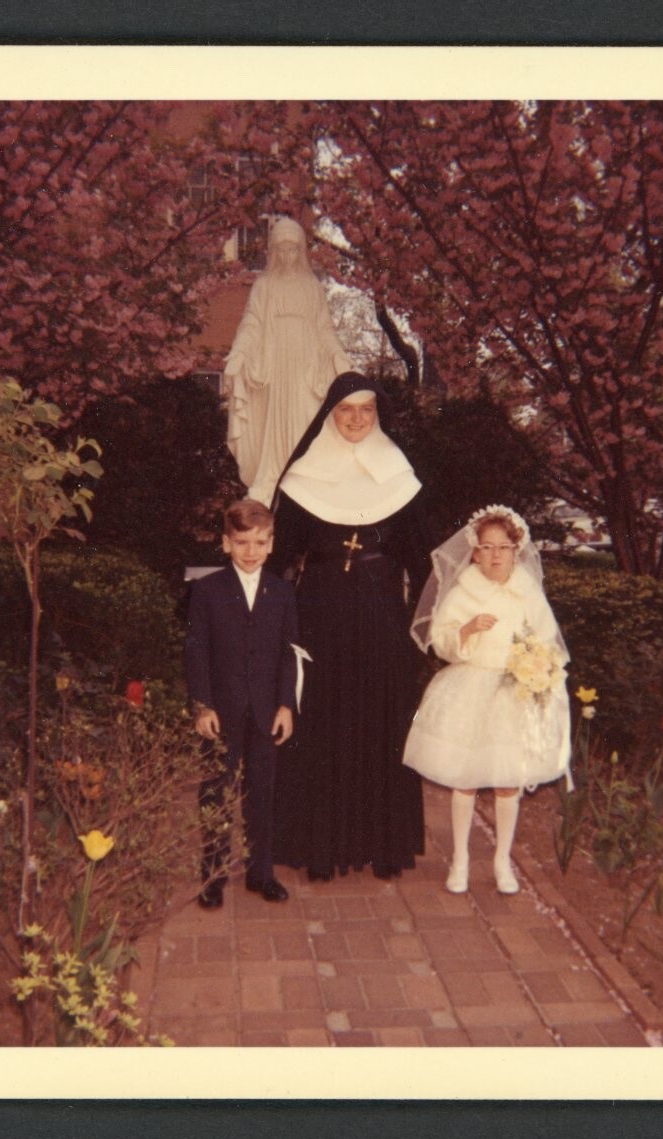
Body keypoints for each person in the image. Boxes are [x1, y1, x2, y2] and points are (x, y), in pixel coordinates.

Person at [271, 372, 432, 881]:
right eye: (346, 411)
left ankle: (383, 846)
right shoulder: (301, 480)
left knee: (380, 719)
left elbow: (425, 562)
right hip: (319, 614)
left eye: (366, 410)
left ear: (378, 415)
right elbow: (279, 561)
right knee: (321, 720)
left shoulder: (402, 479)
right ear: (330, 415)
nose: (356, 419)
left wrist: (433, 627)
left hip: (382, 614)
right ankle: (318, 847)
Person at [404, 506, 573, 894]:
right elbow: (442, 641)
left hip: (513, 694)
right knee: (465, 778)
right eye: (486, 547)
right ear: (474, 553)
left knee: (506, 781)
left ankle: (502, 861)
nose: (496, 555)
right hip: (470, 687)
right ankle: (460, 860)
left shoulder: (527, 591)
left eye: (504, 547)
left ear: (517, 550)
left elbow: (548, 640)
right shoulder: (465, 590)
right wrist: (465, 629)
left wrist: (539, 666)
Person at [184, 499, 301, 909]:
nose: (250, 552)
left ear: (271, 544)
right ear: (225, 543)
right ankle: (213, 873)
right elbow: (196, 653)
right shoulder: (207, 590)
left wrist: (286, 705)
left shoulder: (282, 592)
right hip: (223, 710)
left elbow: (288, 653)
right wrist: (203, 706)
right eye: (241, 542)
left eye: (259, 542)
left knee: (262, 790)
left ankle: (261, 871)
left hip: (267, 710)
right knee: (216, 788)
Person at [224, 216, 352, 507]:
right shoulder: (264, 285)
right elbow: (252, 323)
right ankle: (271, 479)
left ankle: (304, 480)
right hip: (275, 362)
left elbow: (324, 329)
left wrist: (337, 355)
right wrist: (240, 353)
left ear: (300, 251)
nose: (286, 255)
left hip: (306, 364)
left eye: (292, 249)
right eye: (281, 249)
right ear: (273, 252)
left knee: (306, 419)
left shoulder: (312, 287)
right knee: (275, 420)